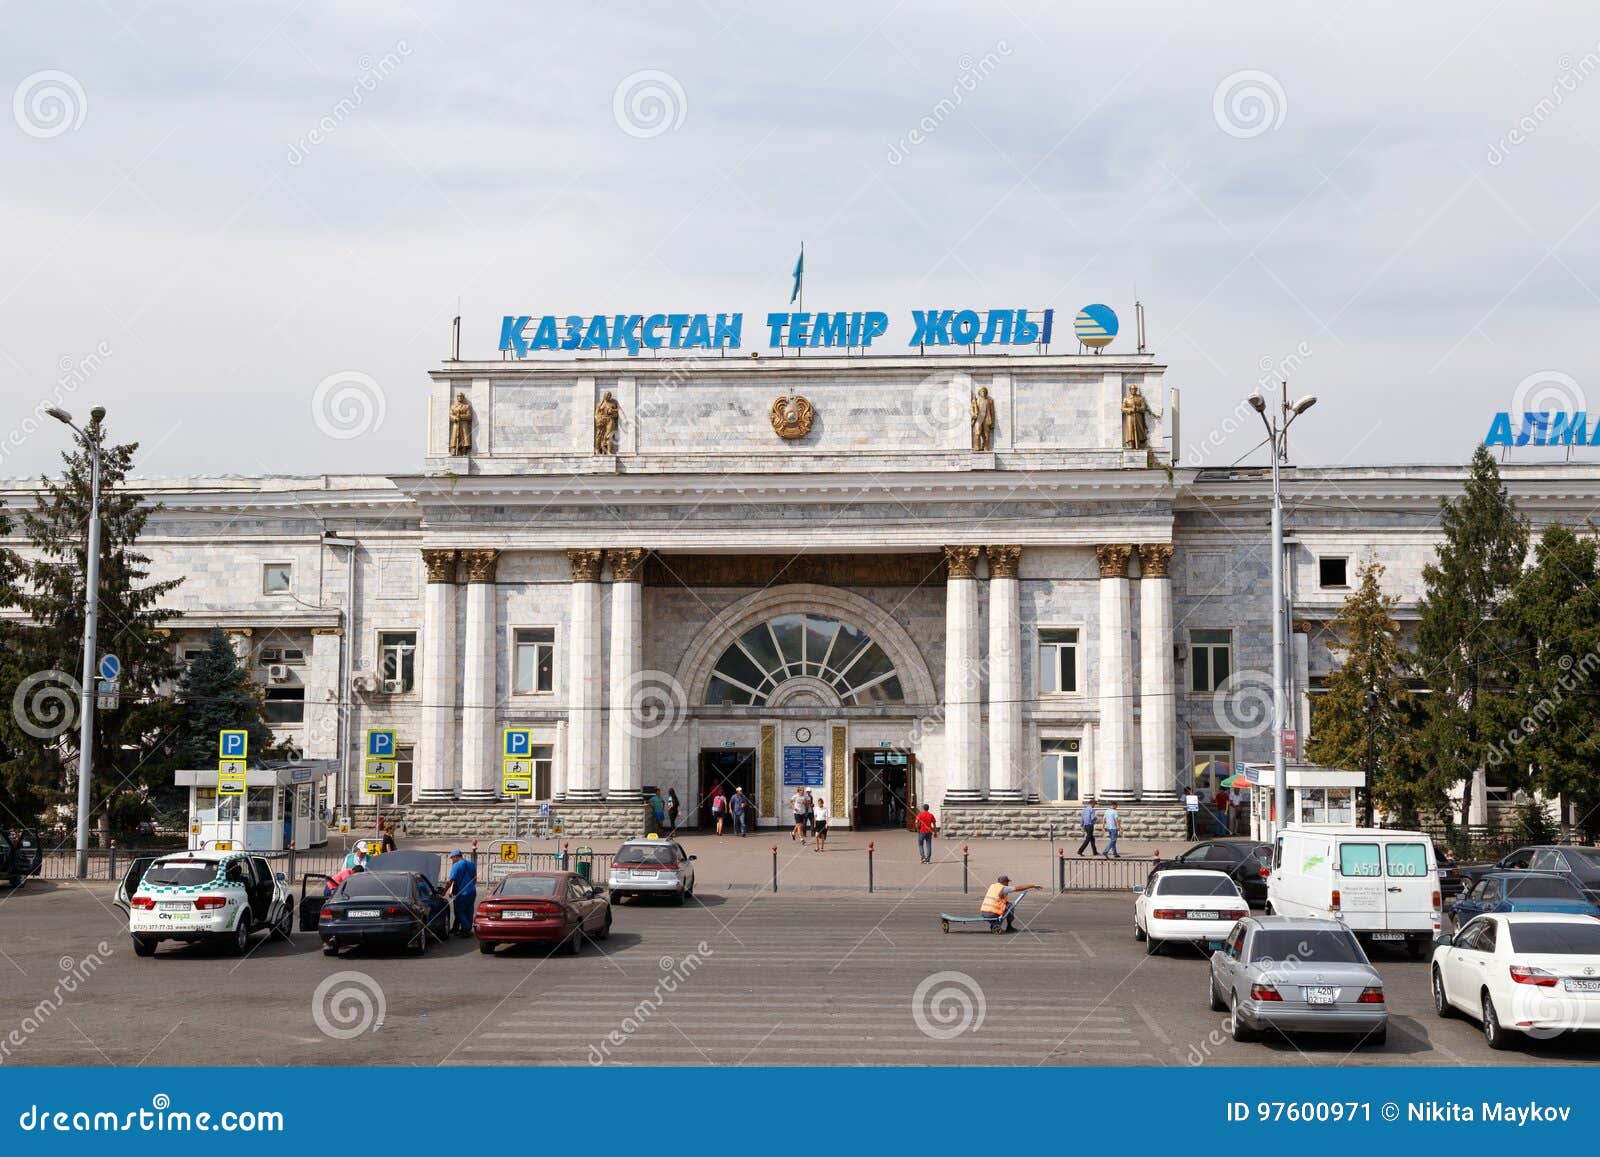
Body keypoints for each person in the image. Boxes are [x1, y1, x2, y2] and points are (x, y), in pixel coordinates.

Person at [445, 849, 477, 936]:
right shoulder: (471, 864)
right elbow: (475, 878)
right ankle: (466, 928)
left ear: (456, 856)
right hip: (472, 891)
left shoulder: (457, 865)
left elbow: (450, 881)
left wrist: (444, 891)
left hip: (462, 893)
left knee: (459, 911)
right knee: (469, 910)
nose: (452, 860)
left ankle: (466, 929)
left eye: (452, 858)